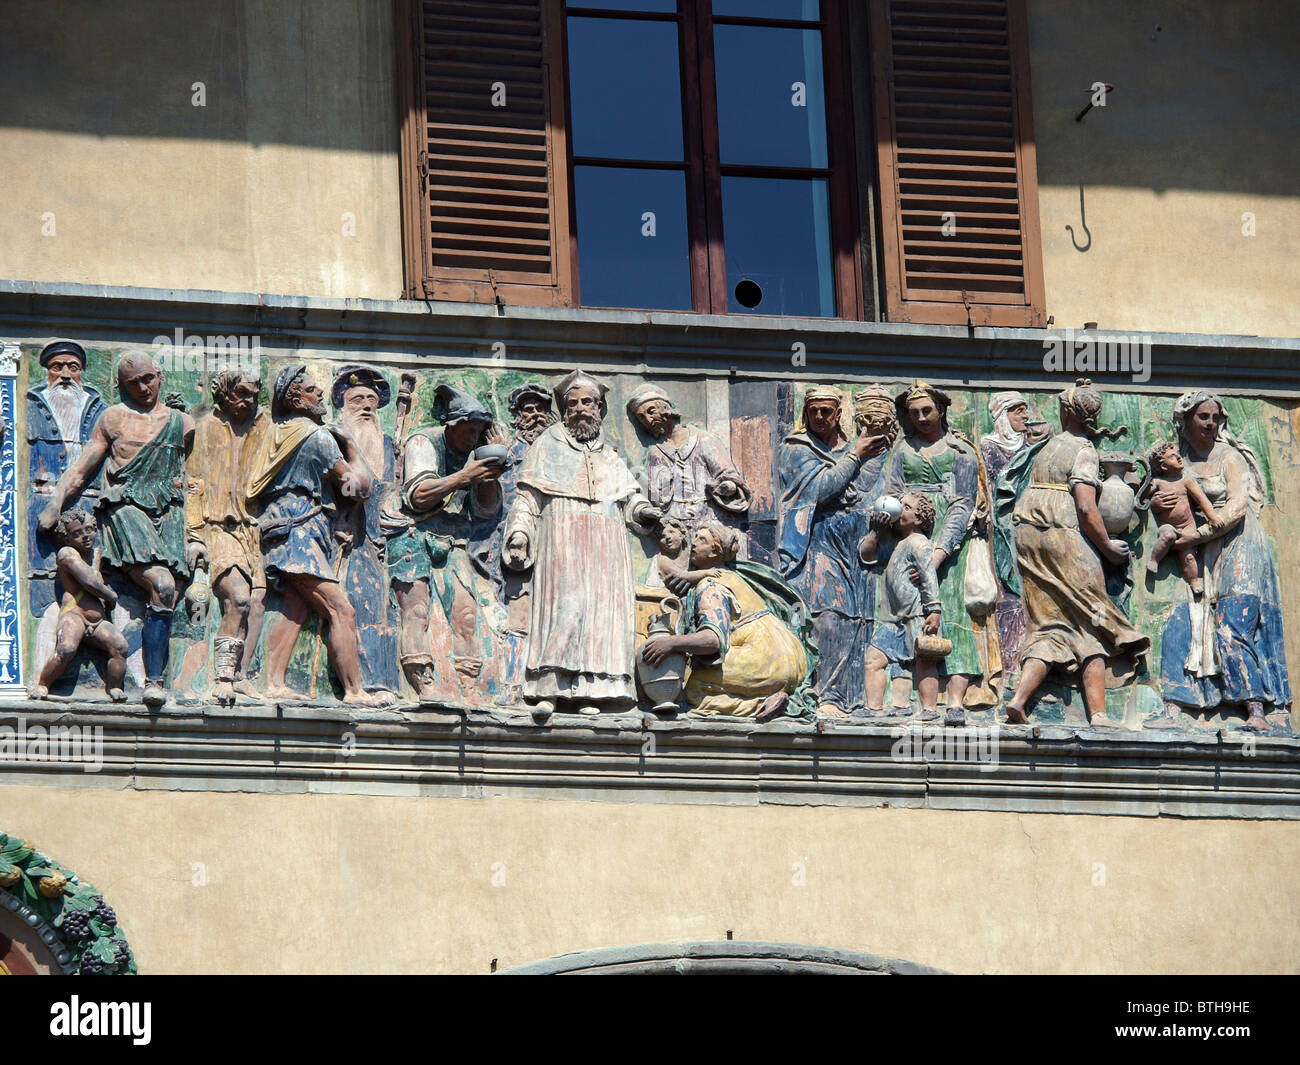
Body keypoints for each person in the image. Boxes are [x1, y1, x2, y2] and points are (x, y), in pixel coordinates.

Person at [37, 354, 202, 707]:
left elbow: (194, 482)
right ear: (121, 387)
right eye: (133, 383)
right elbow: (82, 470)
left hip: (168, 514)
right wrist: (54, 505)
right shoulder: (113, 418)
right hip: (126, 510)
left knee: (171, 592)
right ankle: (155, 681)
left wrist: (196, 533)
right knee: (162, 584)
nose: (143, 388)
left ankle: (156, 675)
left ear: (160, 377)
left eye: (148, 379)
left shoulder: (183, 423)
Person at [503, 370, 662, 716]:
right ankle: (550, 688)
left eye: (587, 402)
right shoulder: (547, 445)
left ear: (600, 408)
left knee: (601, 613)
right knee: (567, 607)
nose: (580, 409)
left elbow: (629, 498)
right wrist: (519, 533)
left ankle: (593, 691)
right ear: (563, 410)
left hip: (607, 541)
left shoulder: (610, 453)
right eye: (572, 404)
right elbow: (527, 497)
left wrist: (643, 513)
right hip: (562, 536)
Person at [999, 380, 1149, 727]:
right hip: (1061, 533)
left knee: (1050, 624)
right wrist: (1109, 548)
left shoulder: (1049, 445)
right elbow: (1085, 507)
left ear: (1066, 411)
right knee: (1092, 617)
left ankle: (1020, 701)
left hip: (1028, 532)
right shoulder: (1084, 449)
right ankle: (1097, 715)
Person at [1151, 391, 1291, 732]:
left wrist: (1194, 537)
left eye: (1215, 417)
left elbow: (1237, 506)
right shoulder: (1178, 461)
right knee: (1182, 619)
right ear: (1186, 421)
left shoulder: (1230, 457)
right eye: (1203, 417)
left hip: (1240, 542)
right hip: (1200, 552)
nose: (1211, 423)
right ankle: (1179, 705)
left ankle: (1256, 710)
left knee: (1233, 620)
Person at [245, 364, 381, 706]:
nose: (319, 393)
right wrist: (350, 446)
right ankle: (354, 690)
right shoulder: (316, 437)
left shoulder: (277, 433)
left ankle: (274, 682)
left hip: (282, 527)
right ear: (296, 398)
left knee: (296, 608)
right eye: (311, 389)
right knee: (341, 609)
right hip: (300, 533)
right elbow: (356, 488)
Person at [776, 386, 892, 718]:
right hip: (817, 543)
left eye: (827, 411)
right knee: (827, 616)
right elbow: (821, 490)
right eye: (814, 411)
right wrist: (855, 456)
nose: (820, 417)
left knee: (856, 620)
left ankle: (847, 698)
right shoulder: (797, 450)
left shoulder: (856, 449)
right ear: (805, 413)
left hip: (857, 547)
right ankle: (822, 693)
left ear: (839, 414)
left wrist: (879, 519)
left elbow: (872, 491)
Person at [884, 381, 997, 725]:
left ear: (942, 410)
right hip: (908, 540)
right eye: (913, 413)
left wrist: (936, 557)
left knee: (955, 622)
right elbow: (891, 494)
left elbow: (962, 506)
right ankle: (922, 702)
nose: (920, 417)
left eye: (927, 410)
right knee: (913, 622)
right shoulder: (902, 452)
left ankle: (957, 703)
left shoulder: (959, 452)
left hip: (948, 549)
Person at [388, 384, 506, 699]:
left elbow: (486, 511)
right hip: (412, 532)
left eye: (479, 431)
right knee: (416, 612)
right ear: (451, 426)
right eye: (468, 430)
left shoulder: (474, 453)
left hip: (452, 538)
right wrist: (464, 477)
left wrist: (492, 475)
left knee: (466, 614)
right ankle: (423, 681)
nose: (473, 437)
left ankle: (469, 686)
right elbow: (418, 496)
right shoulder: (424, 442)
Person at [641, 521, 809, 719]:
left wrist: (671, 643)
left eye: (701, 540)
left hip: (766, 661)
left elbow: (712, 641)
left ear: (715, 551)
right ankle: (773, 696)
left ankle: (762, 704)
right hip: (793, 657)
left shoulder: (711, 585)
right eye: (694, 538)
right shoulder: (736, 577)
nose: (693, 544)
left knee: (694, 689)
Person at [179, 368, 269, 703]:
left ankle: (242, 676)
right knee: (238, 597)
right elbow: (193, 484)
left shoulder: (266, 427)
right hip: (217, 526)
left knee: (258, 604)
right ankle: (222, 679)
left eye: (254, 394)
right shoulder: (204, 429)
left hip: (256, 529)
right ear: (222, 394)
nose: (249, 401)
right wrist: (194, 535)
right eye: (241, 393)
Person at [331, 365, 401, 695]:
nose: (367, 406)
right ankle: (355, 683)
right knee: (353, 603)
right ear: (343, 404)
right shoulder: (335, 440)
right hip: (345, 534)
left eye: (372, 400)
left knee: (384, 609)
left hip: (381, 537)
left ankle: (382, 683)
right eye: (358, 399)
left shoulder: (388, 445)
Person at [29, 508, 129, 702]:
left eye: (89, 530)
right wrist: (111, 595)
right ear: (67, 538)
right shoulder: (67, 553)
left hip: (98, 620)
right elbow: (88, 581)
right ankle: (43, 683)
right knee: (66, 648)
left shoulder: (98, 555)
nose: (85, 536)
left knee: (120, 647)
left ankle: (114, 687)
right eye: (77, 534)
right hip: (74, 614)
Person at [859, 493, 943, 720]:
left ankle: (929, 710)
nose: (900, 509)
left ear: (918, 519)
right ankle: (874, 708)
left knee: (924, 661)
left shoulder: (919, 543)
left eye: (906, 507)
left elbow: (928, 576)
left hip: (917, 615)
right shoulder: (896, 543)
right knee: (874, 659)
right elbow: (867, 555)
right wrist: (877, 531)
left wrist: (934, 610)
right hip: (894, 617)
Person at [626, 383, 751, 530]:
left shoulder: (703, 440)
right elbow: (656, 497)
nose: (648, 419)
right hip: (674, 528)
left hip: (708, 523)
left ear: (665, 408)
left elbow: (729, 476)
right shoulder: (656, 452)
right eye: (641, 417)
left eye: (651, 411)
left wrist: (727, 486)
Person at [1142, 439, 1224, 596]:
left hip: (1188, 526)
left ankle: (1194, 580)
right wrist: (1152, 502)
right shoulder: (1158, 482)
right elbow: (1142, 495)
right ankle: (1154, 560)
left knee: (1189, 557)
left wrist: (1212, 517)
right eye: (1172, 457)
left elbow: (1202, 500)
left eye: (1178, 454)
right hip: (1169, 525)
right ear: (1163, 466)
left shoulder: (1186, 481)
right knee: (1166, 536)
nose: (1179, 458)